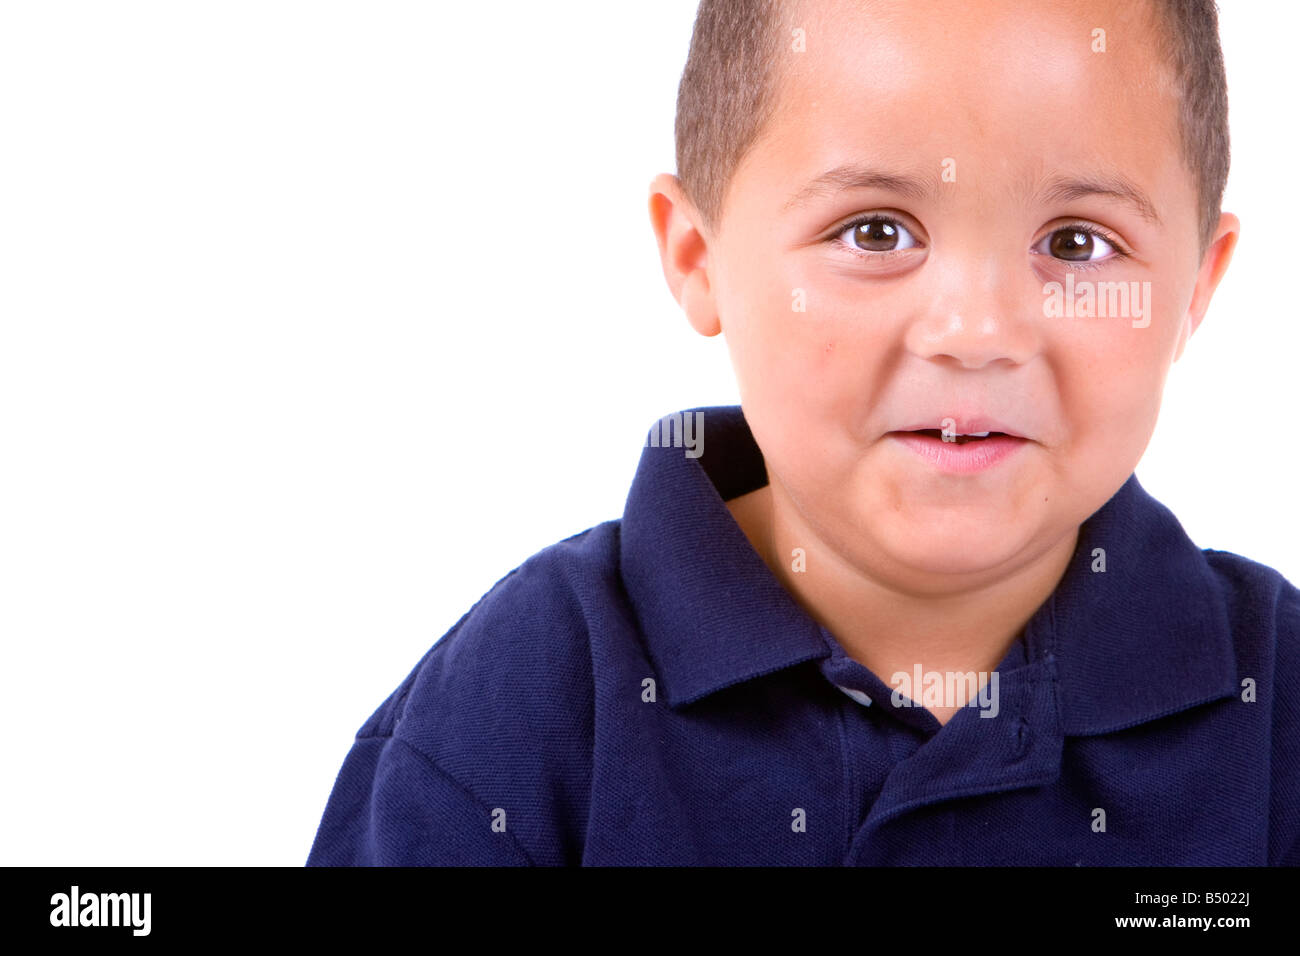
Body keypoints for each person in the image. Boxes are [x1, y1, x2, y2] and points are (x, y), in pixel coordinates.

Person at [307, 0, 1299, 865]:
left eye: (1076, 243)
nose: (975, 332)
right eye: (874, 231)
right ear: (699, 257)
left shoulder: (1279, 704)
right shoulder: (518, 706)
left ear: (1195, 289)